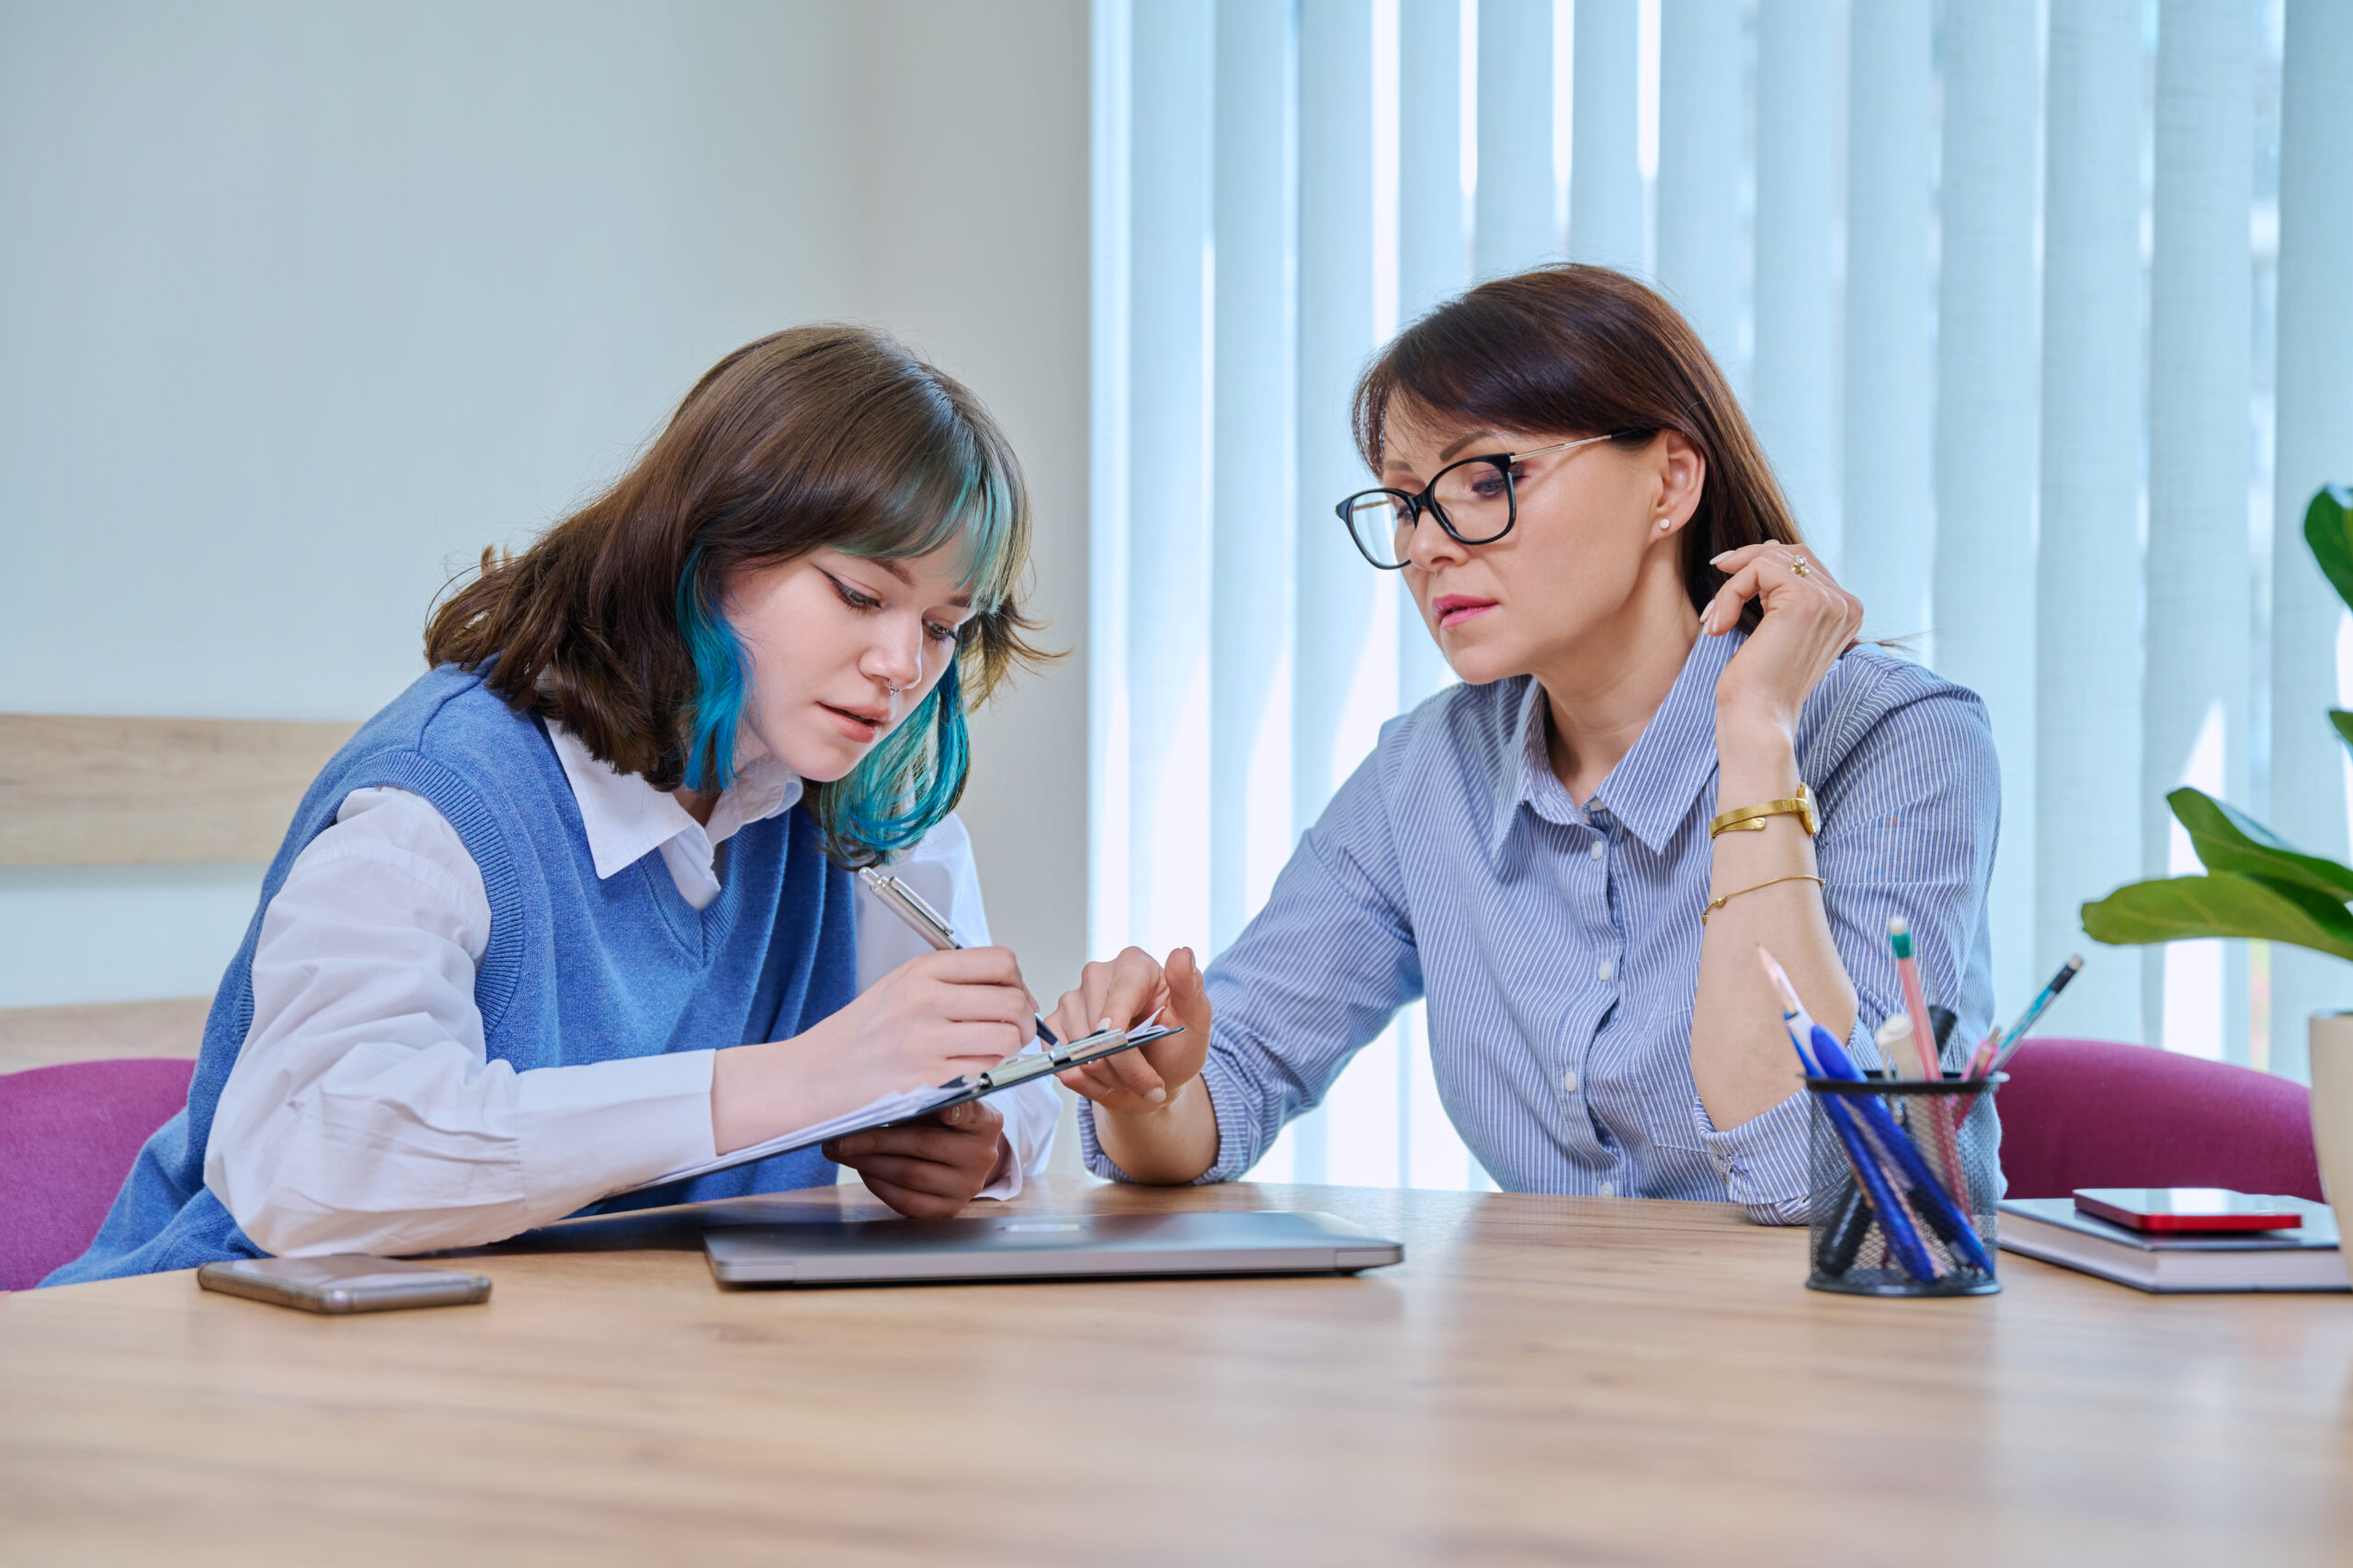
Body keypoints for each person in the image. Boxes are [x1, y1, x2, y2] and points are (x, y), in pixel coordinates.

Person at [48, 325, 1066, 1283]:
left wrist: (969, 1140)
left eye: (942, 626)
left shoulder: (848, 795)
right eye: (857, 594)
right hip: (232, 1352)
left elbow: (981, 1085)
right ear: (707, 548)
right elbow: (315, 1155)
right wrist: (793, 1083)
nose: (899, 666)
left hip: (615, 1369)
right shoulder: (444, 796)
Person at [1048, 266, 1999, 1222]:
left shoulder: (1896, 739)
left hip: (1844, 1352)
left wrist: (1756, 735)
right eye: (1405, 503)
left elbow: (1817, 1179)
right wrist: (1150, 1086)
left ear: (1668, 480)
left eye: (1485, 477)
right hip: (1548, 1351)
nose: (1427, 546)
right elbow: (1232, 1078)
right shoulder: (1424, 775)